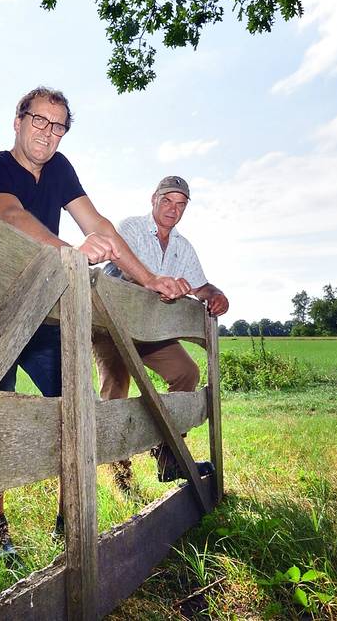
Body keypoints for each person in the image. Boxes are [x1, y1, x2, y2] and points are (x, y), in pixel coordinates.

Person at [0, 87, 190, 559]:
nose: (48, 133)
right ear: (18, 120)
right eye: (39, 121)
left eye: (59, 125)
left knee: (76, 410)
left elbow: (100, 225)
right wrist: (68, 251)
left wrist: (148, 278)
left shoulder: (60, 169)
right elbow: (9, 215)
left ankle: (70, 519)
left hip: (46, 312)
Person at [96, 175, 230, 492]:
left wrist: (216, 294)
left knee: (186, 372)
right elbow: (125, 267)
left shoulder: (183, 247)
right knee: (116, 388)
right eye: (167, 200)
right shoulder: (130, 228)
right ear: (153, 199)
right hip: (112, 321)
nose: (173, 209)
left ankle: (168, 455)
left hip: (151, 330)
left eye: (180, 204)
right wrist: (155, 279)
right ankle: (121, 475)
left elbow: (201, 286)